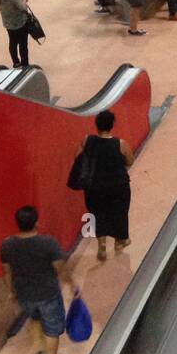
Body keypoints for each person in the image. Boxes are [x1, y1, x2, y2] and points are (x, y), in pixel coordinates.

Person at [0, 206, 79, 354]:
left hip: (24, 295)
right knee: (52, 329)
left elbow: (7, 272)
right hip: (48, 294)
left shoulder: (7, 245)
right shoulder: (47, 243)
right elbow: (60, 268)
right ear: (36, 222)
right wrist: (72, 284)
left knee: (34, 320)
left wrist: (11, 292)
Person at [76, 110, 135, 261]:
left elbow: (79, 159)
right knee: (119, 212)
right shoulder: (120, 144)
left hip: (94, 187)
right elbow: (130, 160)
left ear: (96, 125)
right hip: (117, 186)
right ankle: (120, 241)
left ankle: (102, 245)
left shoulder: (86, 140)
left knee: (97, 213)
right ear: (112, 125)